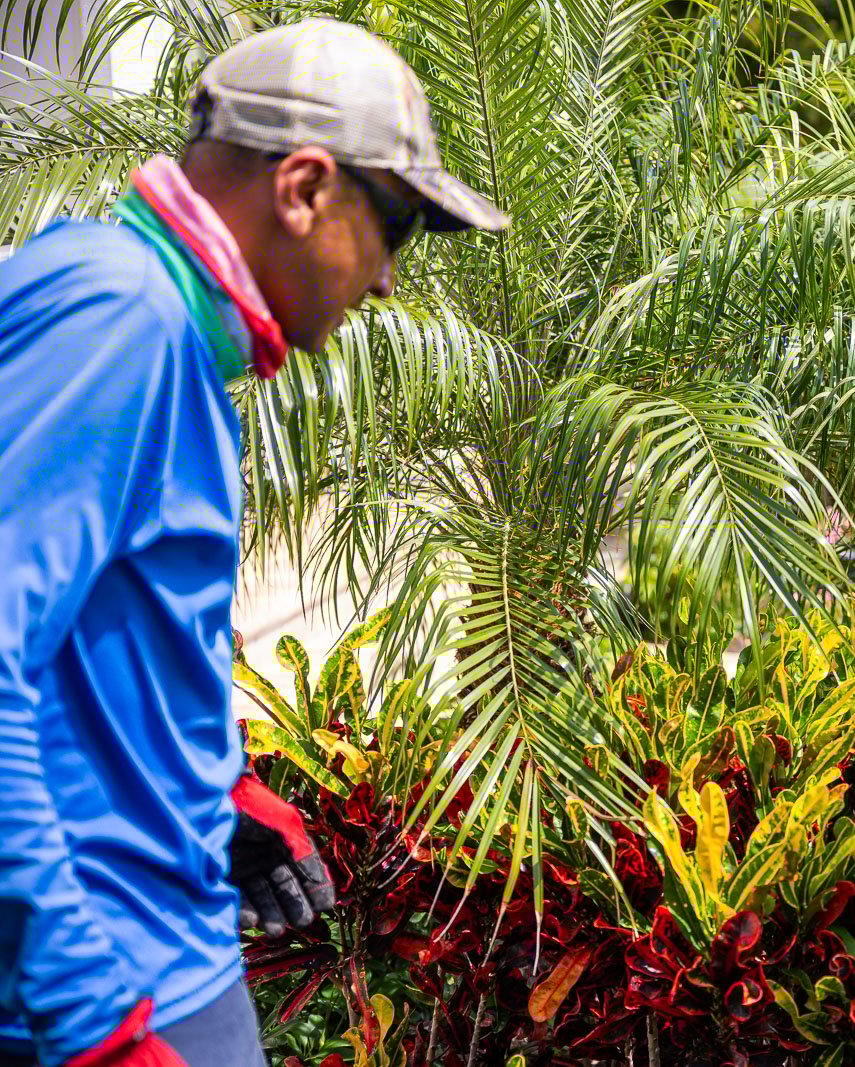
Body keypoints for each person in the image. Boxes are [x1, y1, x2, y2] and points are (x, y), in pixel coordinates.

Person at [0, 19, 506, 1067]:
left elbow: (92, 636)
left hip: (155, 958)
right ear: (306, 188)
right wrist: (90, 1019)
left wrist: (215, 789)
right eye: (396, 229)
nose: (384, 285)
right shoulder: (119, 320)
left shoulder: (150, 323)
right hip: (120, 985)